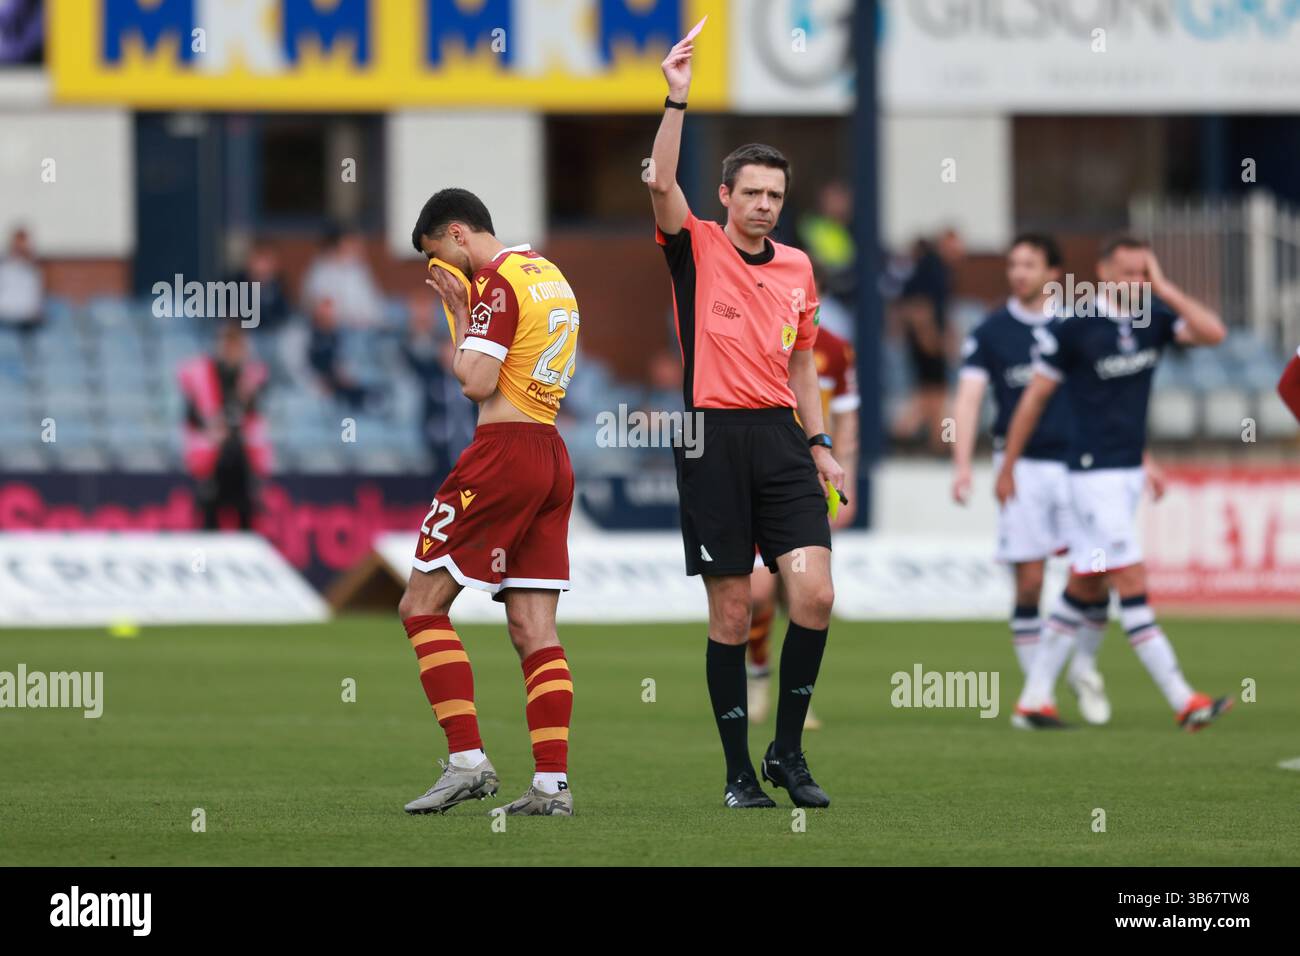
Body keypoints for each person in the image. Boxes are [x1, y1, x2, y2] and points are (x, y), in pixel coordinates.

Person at [647, 31, 845, 809]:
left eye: (775, 196)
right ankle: (737, 776)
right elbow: (660, 179)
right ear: (725, 195)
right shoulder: (692, 245)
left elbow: (803, 366)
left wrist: (822, 444)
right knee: (732, 609)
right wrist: (677, 96)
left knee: (816, 595)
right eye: (751, 193)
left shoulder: (798, 267)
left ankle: (787, 752)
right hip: (710, 439)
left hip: (781, 438)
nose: (764, 205)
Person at [996, 237, 1232, 731]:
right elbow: (1034, 400)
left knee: (1086, 582)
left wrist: (1164, 287)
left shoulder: (1153, 318)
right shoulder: (1075, 327)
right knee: (1131, 581)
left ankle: (1034, 700)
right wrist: (1008, 465)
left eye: (1141, 274)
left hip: (1126, 473)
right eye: (1126, 273)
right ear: (1103, 272)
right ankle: (1184, 698)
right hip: (1090, 474)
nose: (1134, 283)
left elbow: (1215, 333)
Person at [399, 188, 579, 817]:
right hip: (551, 454)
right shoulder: (549, 274)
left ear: (457, 234)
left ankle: (466, 761)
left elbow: (475, 382)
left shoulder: (497, 282)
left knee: (420, 605)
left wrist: (461, 313)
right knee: (534, 628)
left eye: (439, 256)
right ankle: (552, 786)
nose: (443, 271)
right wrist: (465, 311)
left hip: (502, 453)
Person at [951, 234, 1109, 724]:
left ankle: (1082, 666)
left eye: (1029, 264)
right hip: (1023, 468)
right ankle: (1039, 696)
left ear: (1054, 273)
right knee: (1029, 582)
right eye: (1013, 264)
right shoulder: (992, 331)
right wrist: (962, 464)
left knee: (1096, 575)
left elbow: (1108, 396)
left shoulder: (1080, 325)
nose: (1018, 273)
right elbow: (970, 399)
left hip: (1082, 465)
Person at [747, 321, 858, 728]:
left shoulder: (837, 349)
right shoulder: (759, 332)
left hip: (807, 478)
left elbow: (846, 419)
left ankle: (796, 696)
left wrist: (846, 472)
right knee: (758, 592)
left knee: (806, 594)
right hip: (762, 472)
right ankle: (758, 676)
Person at [178, 323, 271, 530]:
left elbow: (252, 416)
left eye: (236, 346)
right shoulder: (202, 375)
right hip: (212, 456)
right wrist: (214, 426)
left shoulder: (249, 378)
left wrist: (231, 420)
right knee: (210, 519)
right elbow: (192, 417)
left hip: (239, 457)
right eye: (228, 345)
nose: (231, 351)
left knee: (245, 515)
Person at [893, 230, 964, 452]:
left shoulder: (939, 270)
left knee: (932, 391)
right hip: (927, 341)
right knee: (933, 391)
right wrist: (930, 338)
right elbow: (919, 305)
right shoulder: (932, 268)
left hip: (929, 339)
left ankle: (933, 438)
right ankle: (915, 436)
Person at [402, 294, 476, 481]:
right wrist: (419, 323)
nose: (450, 352)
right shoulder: (431, 374)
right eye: (446, 347)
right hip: (439, 450)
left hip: (470, 448)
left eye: (454, 346)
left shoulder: (474, 377)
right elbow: (410, 356)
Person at [300, 227, 385, 329]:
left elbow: (374, 303)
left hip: (370, 323)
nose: (360, 249)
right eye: (353, 244)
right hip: (345, 328)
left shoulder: (358, 269)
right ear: (341, 245)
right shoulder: (323, 270)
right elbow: (322, 308)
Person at [0, 228, 44, 353]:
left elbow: (36, 295)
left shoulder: (34, 270)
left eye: (24, 243)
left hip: (26, 321)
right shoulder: (4, 266)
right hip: (4, 318)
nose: (21, 247)